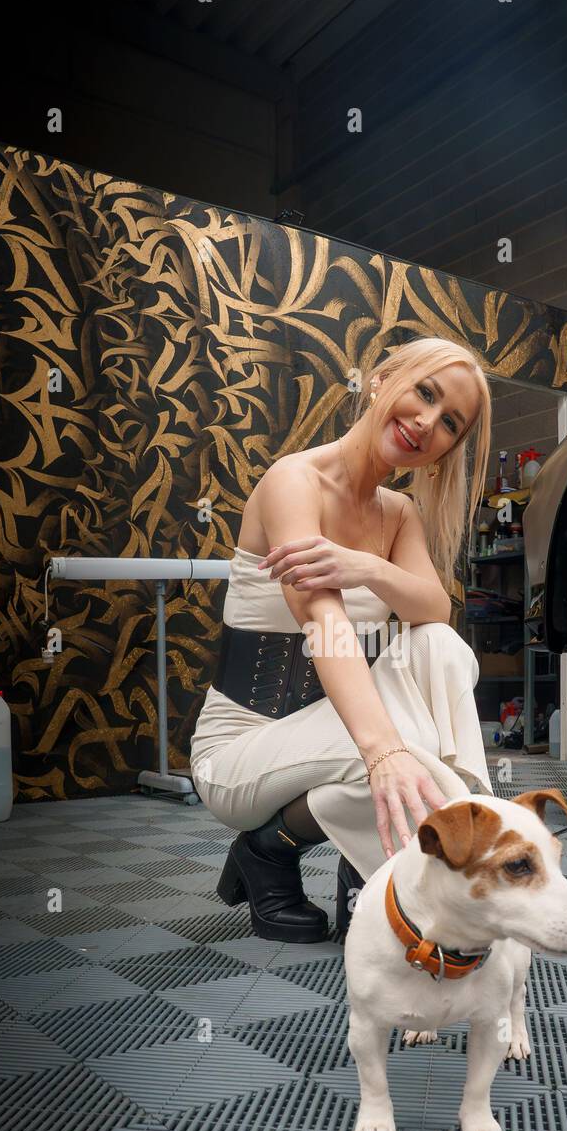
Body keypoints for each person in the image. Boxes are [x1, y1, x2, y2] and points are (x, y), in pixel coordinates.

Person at [190, 336, 495, 942]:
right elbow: (326, 630)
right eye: (425, 393)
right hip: (242, 749)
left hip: (330, 727)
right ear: (382, 380)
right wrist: (386, 753)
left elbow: (434, 607)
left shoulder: (399, 514)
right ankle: (431, 859)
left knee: (439, 646)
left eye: (448, 422)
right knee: (401, 744)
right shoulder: (293, 482)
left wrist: (368, 567)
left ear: (445, 452)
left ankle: (454, 822)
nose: (426, 422)